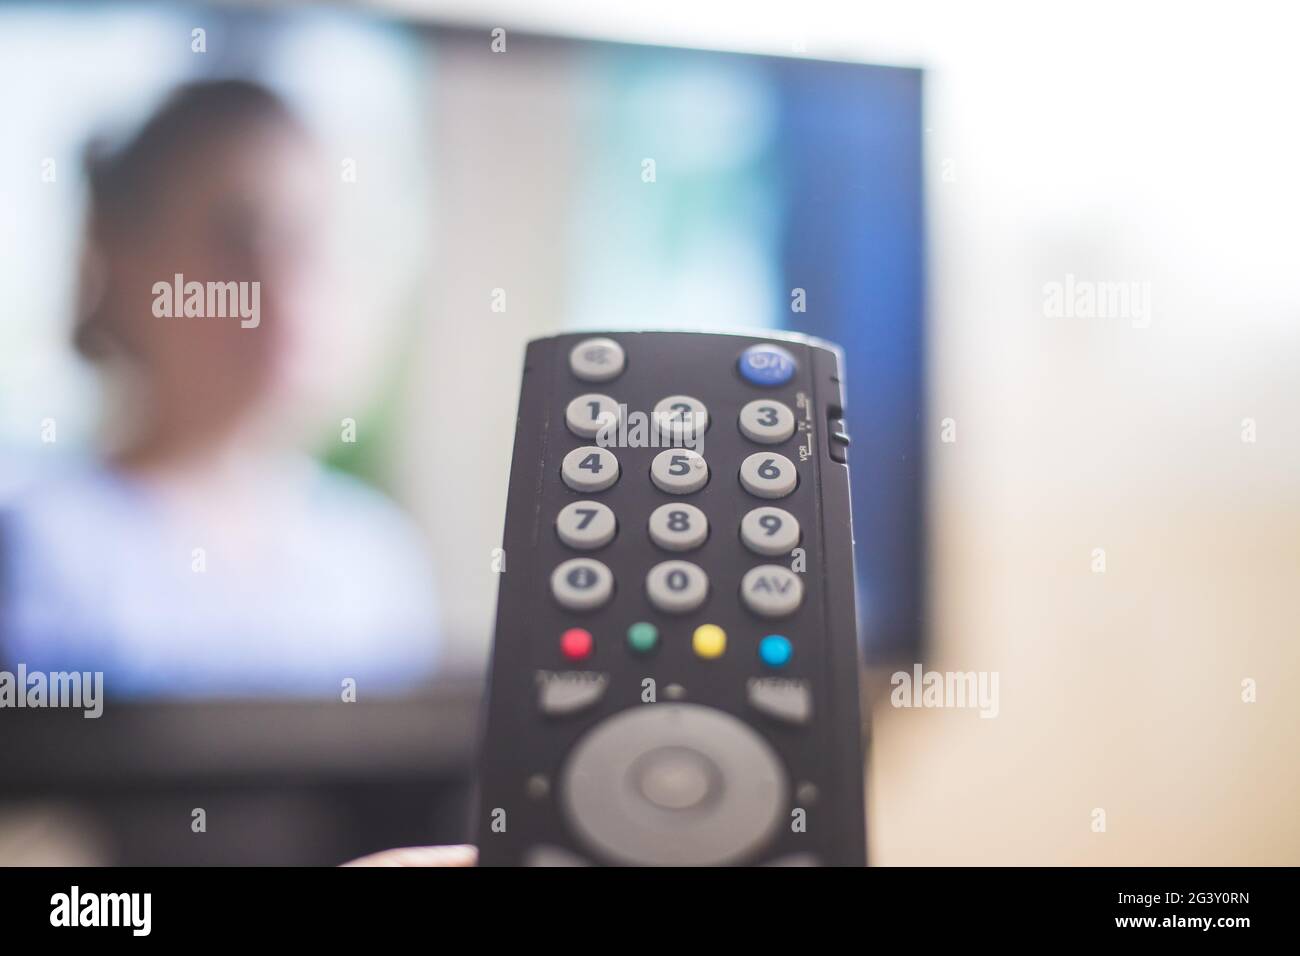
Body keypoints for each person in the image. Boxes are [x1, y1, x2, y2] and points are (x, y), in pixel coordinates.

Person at [0, 80, 439, 695]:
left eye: (309, 241)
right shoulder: (42, 550)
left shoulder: (373, 557)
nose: (283, 286)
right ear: (127, 264)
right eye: (242, 238)